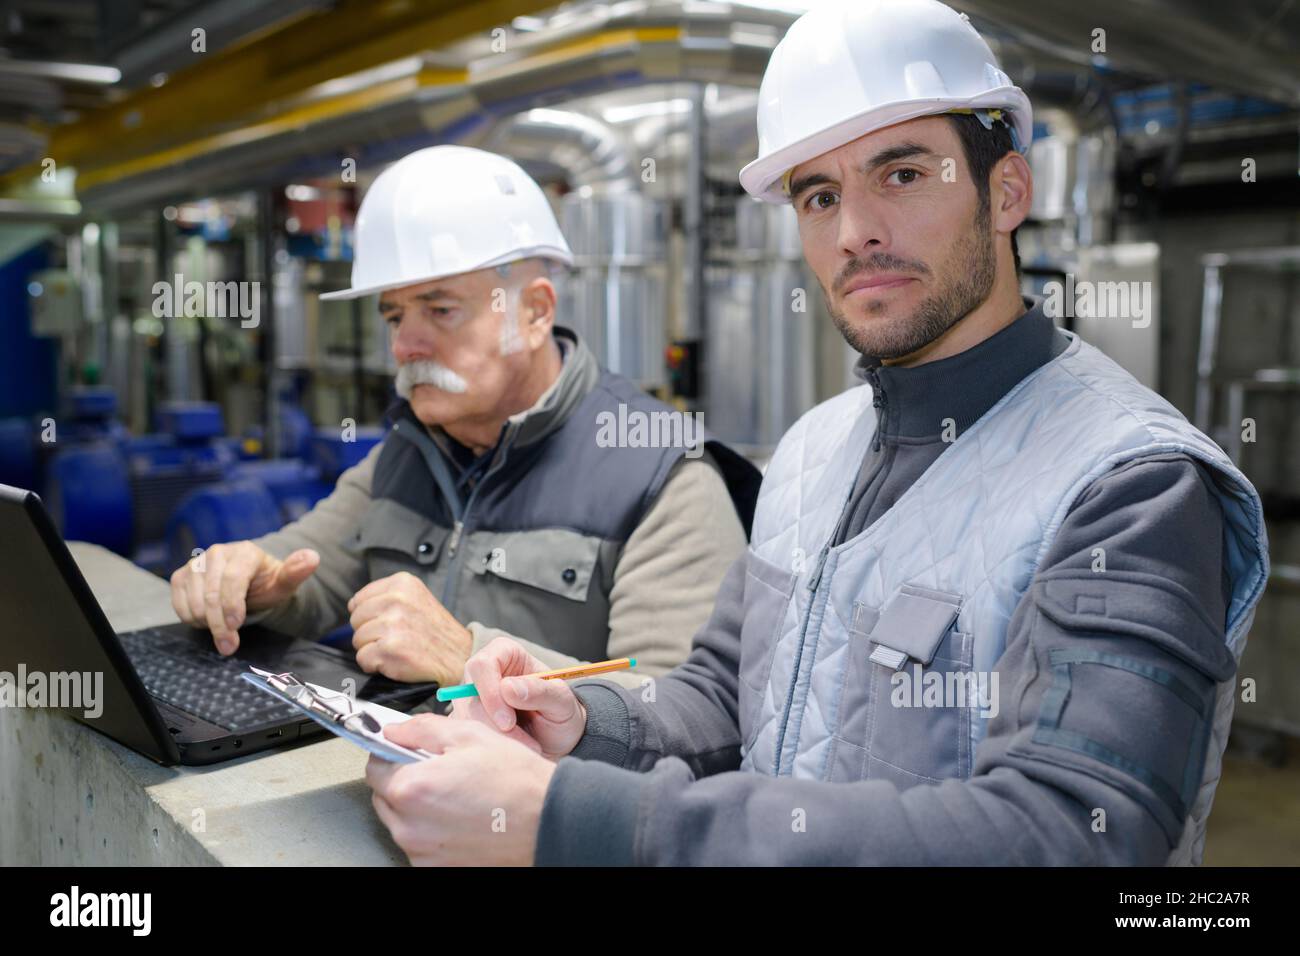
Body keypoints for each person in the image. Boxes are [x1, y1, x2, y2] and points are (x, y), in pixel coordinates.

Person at [364, 0, 1268, 865]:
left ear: (1006, 192)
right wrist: (583, 724)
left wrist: (582, 823)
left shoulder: (1134, 485)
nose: (856, 233)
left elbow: (1071, 830)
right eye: (819, 196)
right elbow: (725, 697)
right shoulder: (809, 452)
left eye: (903, 174)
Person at [168, 145, 760, 690]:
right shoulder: (406, 452)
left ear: (533, 312)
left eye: (441, 309)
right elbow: (310, 573)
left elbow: (679, 713)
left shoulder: (661, 477)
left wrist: (473, 659)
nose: (405, 346)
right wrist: (249, 581)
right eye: (396, 316)